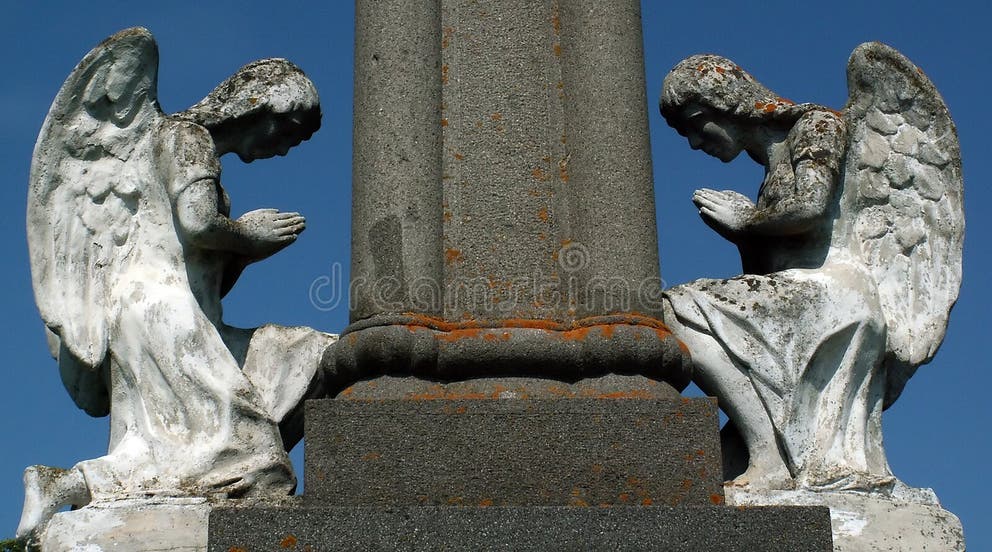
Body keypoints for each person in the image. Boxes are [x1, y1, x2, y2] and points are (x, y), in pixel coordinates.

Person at [21, 31, 334, 539]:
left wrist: (244, 254)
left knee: (311, 359)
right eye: (286, 132)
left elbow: (203, 270)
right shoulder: (188, 138)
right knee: (242, 452)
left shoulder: (183, 145)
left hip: (180, 310)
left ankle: (64, 485)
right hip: (160, 312)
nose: (280, 149)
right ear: (258, 108)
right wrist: (249, 238)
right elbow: (197, 224)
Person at [659, 55, 892, 491]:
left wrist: (747, 221)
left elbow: (809, 206)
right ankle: (766, 448)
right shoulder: (769, 175)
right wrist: (746, 237)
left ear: (726, 103)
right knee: (681, 313)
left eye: (695, 122)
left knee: (678, 308)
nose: (694, 142)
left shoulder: (816, 125)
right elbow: (767, 270)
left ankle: (770, 458)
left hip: (836, 293)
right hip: (800, 290)